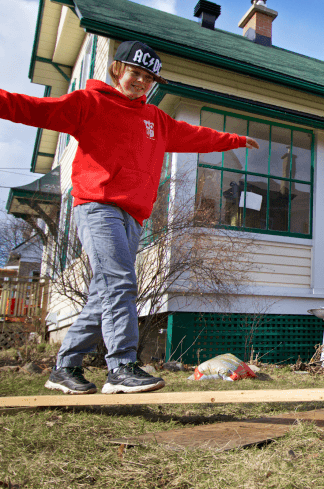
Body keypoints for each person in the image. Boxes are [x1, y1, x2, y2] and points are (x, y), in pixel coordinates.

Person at [0, 40, 260, 394]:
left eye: (148, 77)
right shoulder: (88, 103)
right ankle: (122, 365)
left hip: (134, 216)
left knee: (104, 291)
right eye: (135, 73)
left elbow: (196, 135)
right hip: (97, 205)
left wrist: (234, 139)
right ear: (118, 70)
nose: (140, 81)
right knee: (120, 281)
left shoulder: (155, 119)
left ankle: (65, 367)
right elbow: (31, 108)